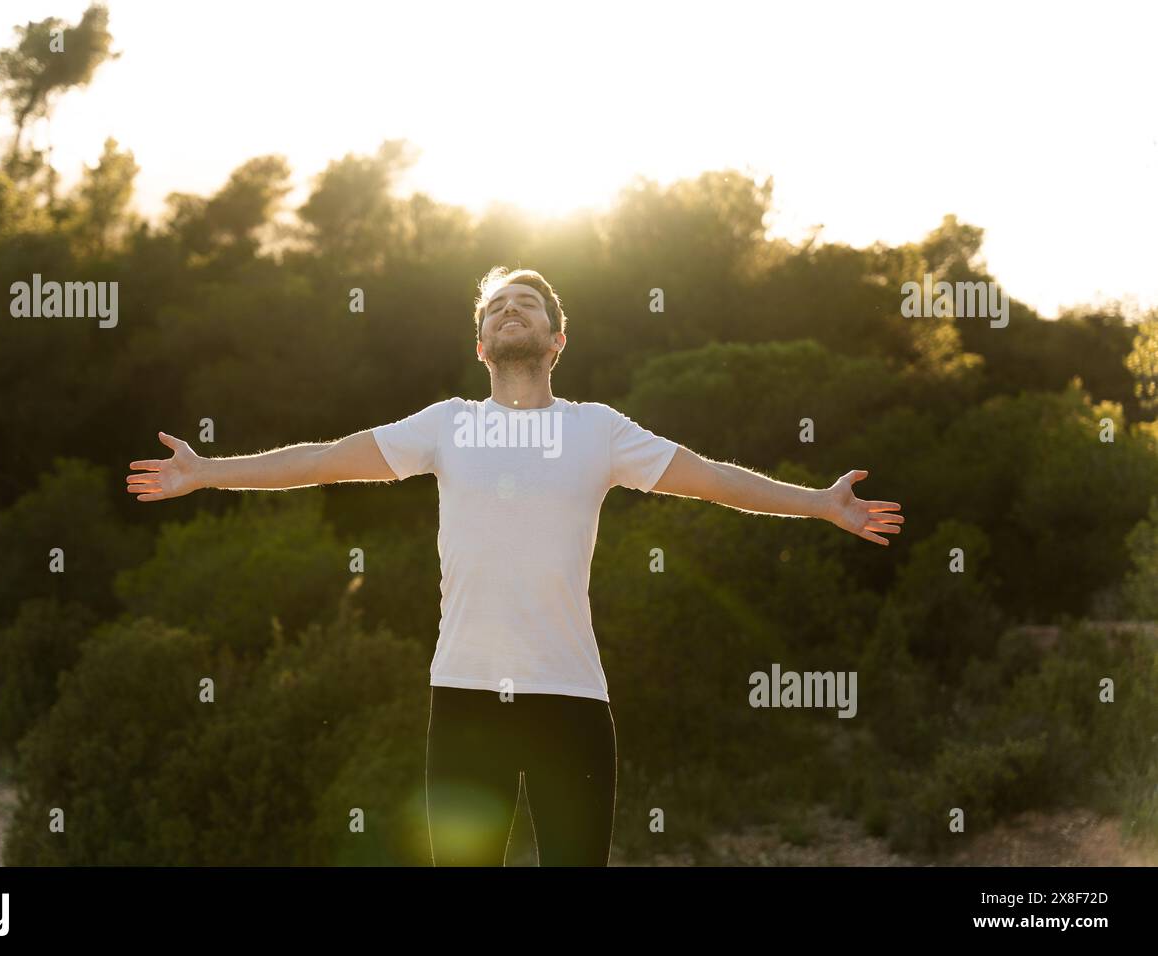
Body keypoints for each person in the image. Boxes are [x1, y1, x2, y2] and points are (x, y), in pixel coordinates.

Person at [125, 266, 905, 866]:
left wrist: (817, 502)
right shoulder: (446, 426)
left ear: (557, 340)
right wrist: (207, 471)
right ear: (480, 347)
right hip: (464, 703)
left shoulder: (600, 431)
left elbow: (713, 479)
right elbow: (325, 460)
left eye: (526, 303)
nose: (509, 309)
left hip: (572, 704)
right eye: (495, 306)